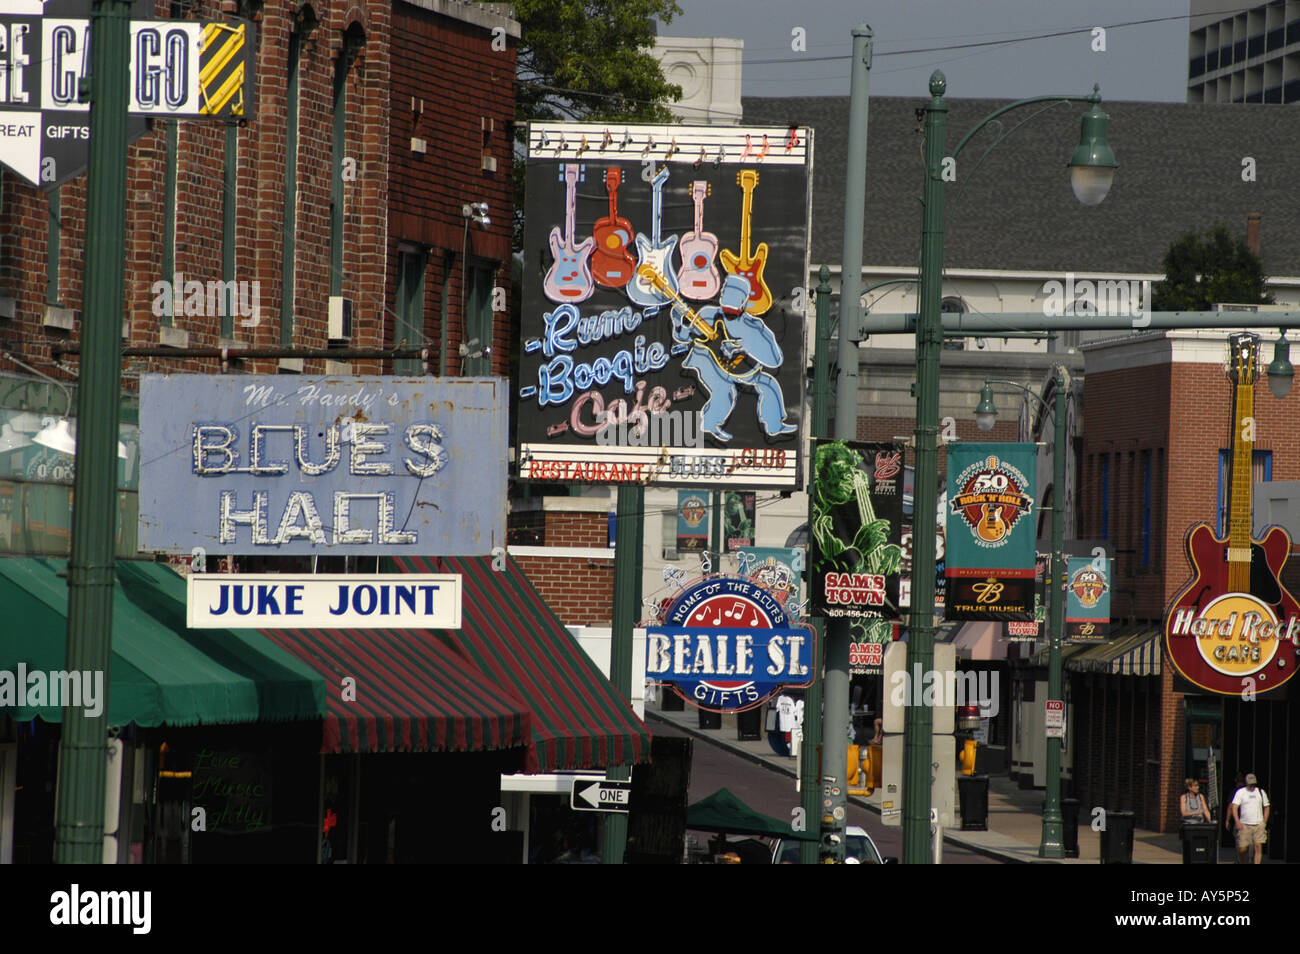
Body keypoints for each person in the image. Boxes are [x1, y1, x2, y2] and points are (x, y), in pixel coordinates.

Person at [670, 273, 796, 441]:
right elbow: (685, 337)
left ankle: (775, 427)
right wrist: (679, 324)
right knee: (725, 390)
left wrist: (743, 348)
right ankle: (708, 426)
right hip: (712, 363)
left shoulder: (754, 326)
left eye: (733, 299)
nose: (726, 301)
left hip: (744, 370)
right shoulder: (709, 315)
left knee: (770, 385)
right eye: (725, 294)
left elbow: (775, 360)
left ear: (743, 302)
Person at [1229, 773, 1270, 864]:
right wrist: (1237, 821)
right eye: (1250, 784)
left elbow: (1267, 806)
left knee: (1258, 846)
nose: (1252, 786)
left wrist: (1264, 821)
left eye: (1254, 784)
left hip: (1258, 824)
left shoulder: (1261, 792)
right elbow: (1234, 807)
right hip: (1244, 824)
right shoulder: (1241, 792)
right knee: (1242, 848)